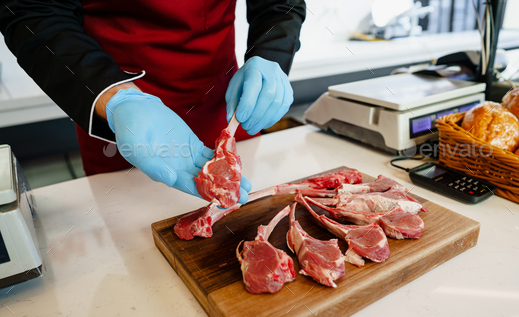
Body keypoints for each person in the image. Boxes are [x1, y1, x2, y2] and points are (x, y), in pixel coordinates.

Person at [0, 0, 306, 203]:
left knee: (246, 215)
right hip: (118, 111)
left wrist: (271, 53)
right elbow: (31, 11)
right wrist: (116, 99)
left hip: (224, 102)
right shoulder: (117, 105)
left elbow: (279, 3)